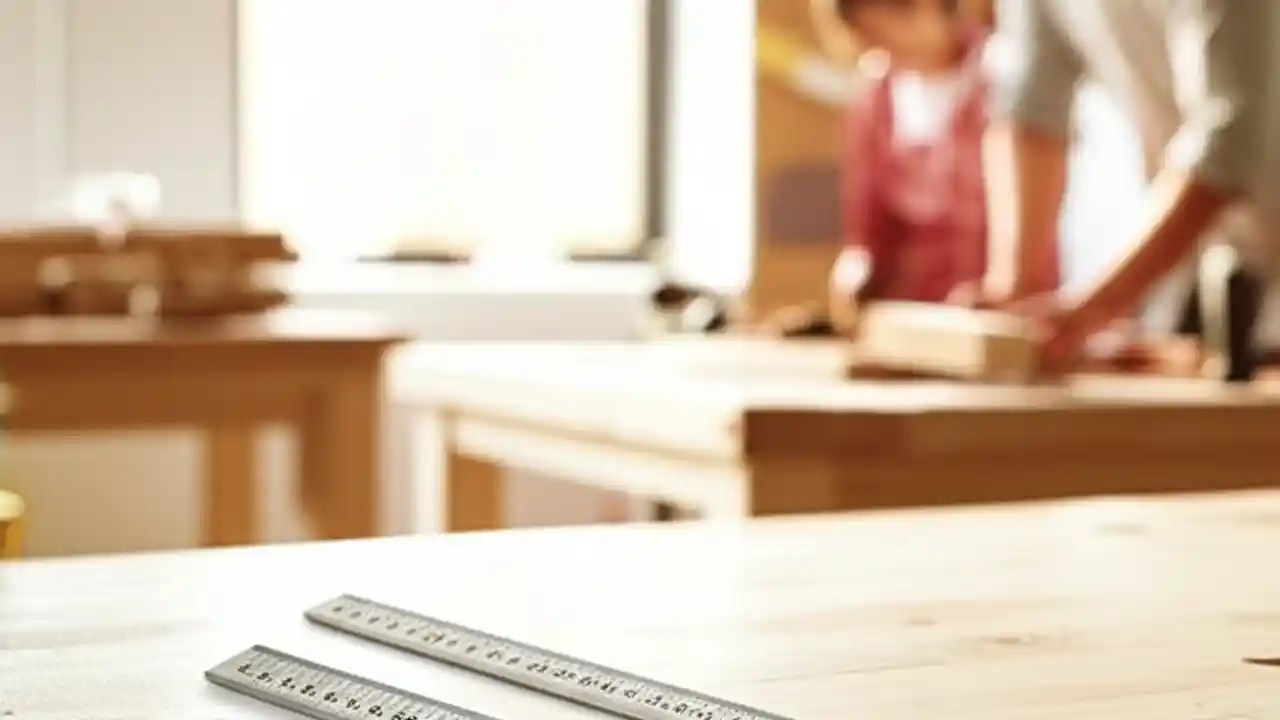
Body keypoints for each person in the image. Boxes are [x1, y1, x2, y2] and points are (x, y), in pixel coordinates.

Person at [984, 0, 1280, 381]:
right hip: (1207, 261)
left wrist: (1092, 308)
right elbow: (1031, 107)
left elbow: (1231, 137)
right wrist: (1014, 291)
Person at [826, 0, 1025, 333]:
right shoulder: (875, 97)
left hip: (1004, 317)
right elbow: (868, 227)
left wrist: (1008, 286)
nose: (875, 49)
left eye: (881, 32)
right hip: (917, 323)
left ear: (927, 6)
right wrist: (856, 270)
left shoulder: (1007, 75)